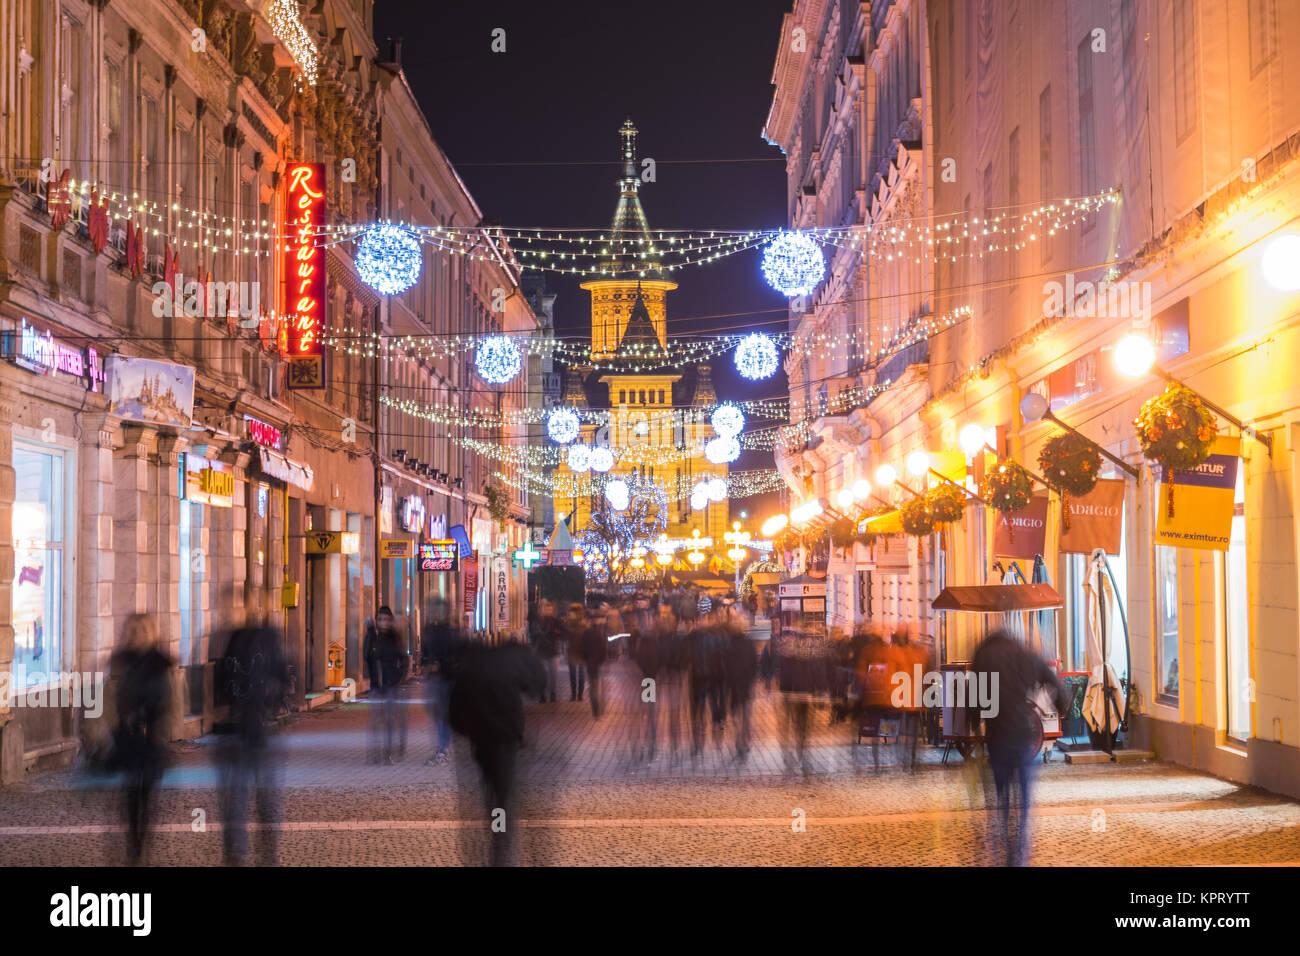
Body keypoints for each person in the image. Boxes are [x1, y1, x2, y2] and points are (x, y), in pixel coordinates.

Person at [970, 629, 1069, 867]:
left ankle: (1005, 839)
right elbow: (1054, 682)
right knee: (1024, 795)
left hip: (997, 736)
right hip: (1023, 735)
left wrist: (974, 724)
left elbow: (972, 694)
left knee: (1002, 794)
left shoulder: (984, 655)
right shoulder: (1025, 654)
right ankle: (1020, 845)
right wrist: (1061, 706)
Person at [448, 641, 546, 866]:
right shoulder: (509, 665)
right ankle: (499, 845)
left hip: (482, 742)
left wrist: (467, 729)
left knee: (491, 790)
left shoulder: (471, 667)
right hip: (505, 740)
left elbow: (454, 712)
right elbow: (536, 685)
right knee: (502, 795)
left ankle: (496, 828)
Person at [216, 616, 291, 866]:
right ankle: (249, 852)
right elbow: (284, 681)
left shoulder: (248, 639)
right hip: (246, 732)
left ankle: (250, 851)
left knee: (253, 794)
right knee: (252, 794)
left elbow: (219, 686)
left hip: (254, 732)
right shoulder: (244, 639)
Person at [109, 614, 173, 864]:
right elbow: (108, 698)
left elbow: (173, 704)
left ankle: (139, 845)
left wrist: (162, 734)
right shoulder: (120, 662)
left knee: (145, 797)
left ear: (151, 633)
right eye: (133, 631)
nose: (138, 636)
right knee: (130, 797)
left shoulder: (162, 664)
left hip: (152, 742)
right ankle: (134, 848)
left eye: (143, 630)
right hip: (127, 739)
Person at [420, 600, 462, 765]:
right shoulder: (429, 629)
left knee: (442, 715)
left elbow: (455, 654)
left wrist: (440, 664)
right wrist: (425, 665)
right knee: (437, 715)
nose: (435, 613)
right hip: (433, 678)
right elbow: (426, 651)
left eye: (439, 610)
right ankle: (440, 748)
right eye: (433, 609)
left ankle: (443, 749)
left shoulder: (449, 632)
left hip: (446, 678)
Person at [371, 606, 409, 763]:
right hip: (376, 684)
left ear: (390, 621)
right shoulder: (374, 637)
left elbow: (404, 659)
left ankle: (387, 753)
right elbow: (370, 658)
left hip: (391, 683)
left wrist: (400, 676)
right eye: (380, 619)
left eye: (386, 619)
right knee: (376, 720)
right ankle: (375, 753)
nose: (383, 622)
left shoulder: (395, 638)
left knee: (388, 719)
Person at [724, 618, 757, 761]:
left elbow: (724, 664)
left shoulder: (728, 644)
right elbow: (755, 663)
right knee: (746, 712)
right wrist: (753, 679)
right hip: (746, 682)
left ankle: (738, 738)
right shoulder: (749, 643)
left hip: (733, 683)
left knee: (735, 711)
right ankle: (745, 739)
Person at [579, 603, 608, 718]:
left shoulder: (587, 633)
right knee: (598, 686)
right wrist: (601, 660)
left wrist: (587, 660)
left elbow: (582, 649)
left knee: (593, 687)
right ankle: (598, 709)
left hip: (591, 663)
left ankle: (595, 709)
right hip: (598, 663)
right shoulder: (600, 634)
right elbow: (603, 650)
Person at [567, 604, 587, 701]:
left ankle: (579, 694)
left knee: (581, 673)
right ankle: (574, 693)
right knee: (573, 673)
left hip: (581, 651)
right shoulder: (569, 623)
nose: (570, 614)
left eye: (572, 612)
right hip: (572, 651)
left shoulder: (583, 624)